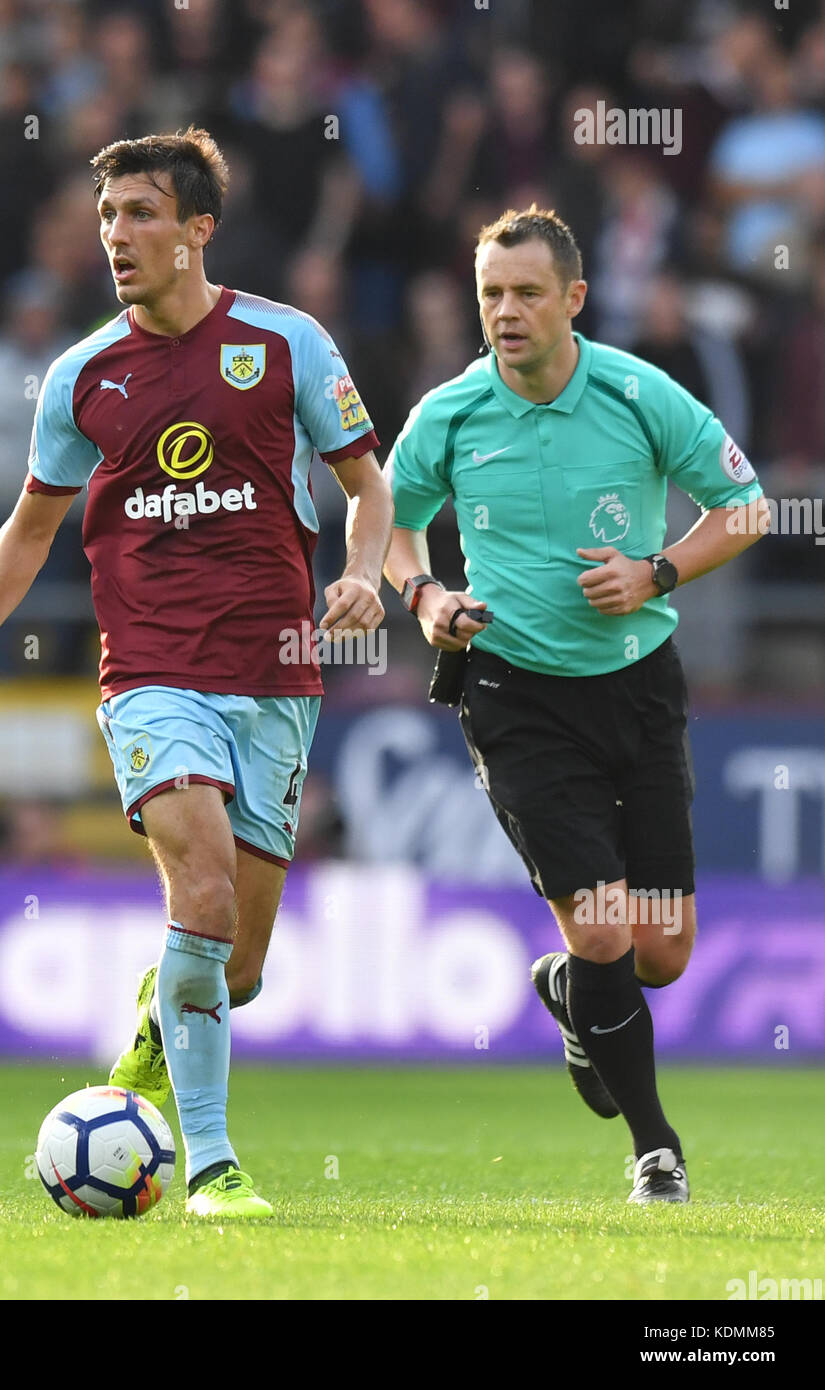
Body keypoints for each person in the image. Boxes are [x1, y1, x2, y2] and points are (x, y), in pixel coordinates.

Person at [0, 128, 391, 1220]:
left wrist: (367, 572)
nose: (116, 237)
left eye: (140, 214)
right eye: (106, 218)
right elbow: (31, 524)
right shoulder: (82, 374)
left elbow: (367, 490)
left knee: (234, 964)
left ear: (198, 228)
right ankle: (215, 1167)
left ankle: (160, 1010)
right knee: (197, 888)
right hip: (150, 669)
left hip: (276, 673)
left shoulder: (285, 344)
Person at [384, 206, 769, 1204]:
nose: (504, 313)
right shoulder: (451, 413)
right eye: (490, 296)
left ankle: (569, 992)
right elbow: (389, 521)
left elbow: (747, 506)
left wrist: (657, 570)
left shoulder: (640, 395)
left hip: (639, 689)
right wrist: (426, 596)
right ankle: (655, 1149)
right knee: (602, 928)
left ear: (575, 300)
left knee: (662, 951)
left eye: (524, 293)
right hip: (515, 696)